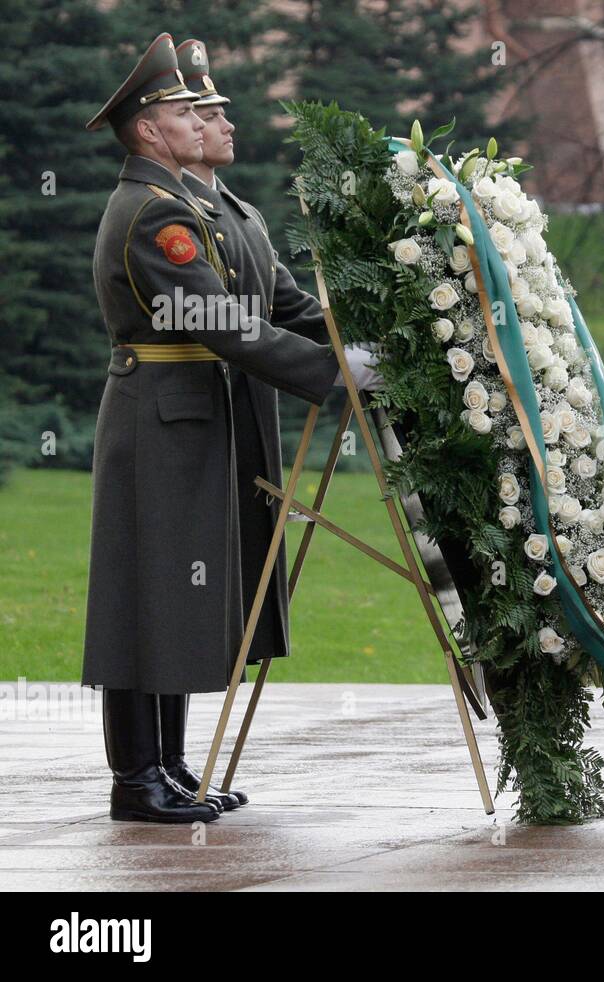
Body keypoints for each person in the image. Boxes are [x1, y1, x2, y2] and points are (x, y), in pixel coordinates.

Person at [82, 33, 375, 823]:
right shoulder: (154, 216)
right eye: (184, 113)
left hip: (185, 416)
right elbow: (222, 324)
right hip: (161, 419)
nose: (201, 121)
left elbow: (270, 308)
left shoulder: (178, 205)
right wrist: (336, 374)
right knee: (145, 596)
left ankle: (169, 766)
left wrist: (361, 342)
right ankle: (135, 778)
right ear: (150, 131)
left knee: (174, 597)